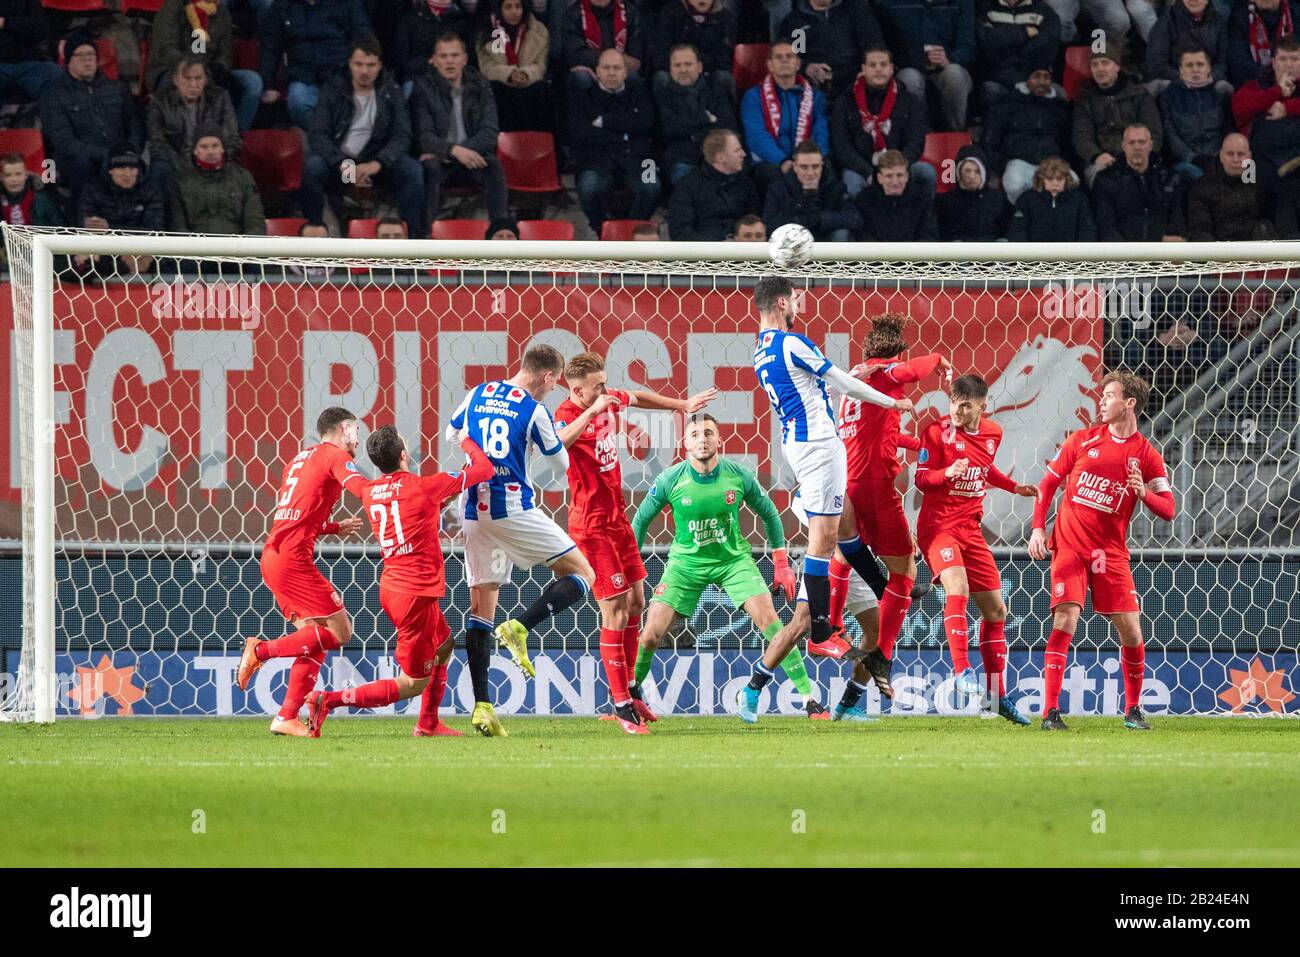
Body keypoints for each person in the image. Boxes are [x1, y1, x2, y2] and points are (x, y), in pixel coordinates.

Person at [737, 276, 913, 723]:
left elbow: (819, 388)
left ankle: (862, 608)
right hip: (818, 447)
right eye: (796, 297)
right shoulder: (793, 342)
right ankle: (819, 631)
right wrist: (891, 404)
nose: (801, 304)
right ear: (781, 301)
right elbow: (839, 385)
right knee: (826, 538)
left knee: (844, 529)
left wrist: (846, 379)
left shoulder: (762, 349)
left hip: (803, 444)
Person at [632, 413, 835, 721]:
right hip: (686, 564)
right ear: (684, 443)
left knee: (772, 623)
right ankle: (629, 700)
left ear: (719, 440)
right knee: (649, 636)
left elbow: (769, 513)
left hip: (733, 562)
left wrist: (781, 562)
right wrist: (630, 564)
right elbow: (640, 521)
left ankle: (808, 700)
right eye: (696, 434)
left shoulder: (737, 475)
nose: (703, 438)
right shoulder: (670, 479)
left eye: (709, 433)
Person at [553, 352, 716, 732]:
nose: (607, 391)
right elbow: (558, 442)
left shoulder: (606, 400)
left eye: (606, 383)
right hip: (591, 527)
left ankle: (629, 686)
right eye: (598, 387)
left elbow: (638, 397)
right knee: (615, 613)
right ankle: (621, 706)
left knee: (637, 602)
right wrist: (591, 414)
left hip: (618, 521)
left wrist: (682, 405)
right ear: (577, 390)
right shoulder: (564, 414)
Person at [445, 345, 598, 737]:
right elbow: (560, 463)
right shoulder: (534, 411)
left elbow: (453, 432)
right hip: (512, 509)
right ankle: (522, 627)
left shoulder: (477, 392)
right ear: (548, 377)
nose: (552, 390)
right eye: (554, 384)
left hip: (472, 511)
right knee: (582, 574)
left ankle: (481, 707)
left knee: (481, 607)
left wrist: (480, 457)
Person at [305, 427, 494, 737]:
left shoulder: (369, 490)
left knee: (444, 645)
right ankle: (327, 701)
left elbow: (394, 504)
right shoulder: (424, 487)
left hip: (398, 586)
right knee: (411, 684)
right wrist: (465, 440)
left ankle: (428, 723)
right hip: (413, 595)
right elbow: (483, 468)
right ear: (404, 455)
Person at [1030, 371, 1177, 731]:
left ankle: (1133, 711)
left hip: (1110, 553)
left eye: (1109, 396)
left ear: (1129, 403)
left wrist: (1144, 494)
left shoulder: (1147, 456)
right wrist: (1038, 528)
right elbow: (1047, 484)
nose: (1101, 401)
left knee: (1131, 631)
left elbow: (1169, 509)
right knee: (1065, 618)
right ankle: (1050, 712)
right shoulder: (1081, 440)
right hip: (1069, 547)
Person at [831, 313, 950, 713]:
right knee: (906, 571)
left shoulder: (855, 378)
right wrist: (939, 358)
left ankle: (830, 633)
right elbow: (914, 370)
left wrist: (919, 446)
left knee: (843, 553)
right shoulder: (884, 373)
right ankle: (878, 654)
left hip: (848, 483)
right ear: (898, 353)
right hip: (876, 485)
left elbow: (878, 432)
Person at [237, 407, 367, 736]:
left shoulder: (300, 458)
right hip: (293, 560)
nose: (357, 439)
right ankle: (260, 650)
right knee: (341, 632)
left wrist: (334, 527)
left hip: (275, 555)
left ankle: (285, 717)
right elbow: (362, 489)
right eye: (354, 431)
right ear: (344, 430)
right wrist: (396, 494)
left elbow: (297, 514)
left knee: (314, 639)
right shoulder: (335, 456)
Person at [914, 374, 1037, 723]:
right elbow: (922, 478)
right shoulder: (936, 433)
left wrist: (1014, 487)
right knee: (959, 587)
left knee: (996, 611)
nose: (956, 409)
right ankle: (961, 670)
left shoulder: (993, 433)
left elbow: (984, 469)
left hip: (970, 529)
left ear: (982, 406)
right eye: (953, 401)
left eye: (965, 404)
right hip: (938, 528)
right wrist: (947, 472)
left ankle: (996, 698)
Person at [414, 33, 510, 229]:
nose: (450, 61)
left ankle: (501, 233)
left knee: (493, 165)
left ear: (465, 59)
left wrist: (461, 151)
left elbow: (490, 132)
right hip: (441, 160)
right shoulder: (423, 88)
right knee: (429, 166)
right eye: (443, 56)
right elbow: (424, 136)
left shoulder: (481, 85)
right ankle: (425, 236)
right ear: (433, 61)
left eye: (455, 55)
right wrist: (452, 151)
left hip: (470, 157)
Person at [40, 31, 143, 204]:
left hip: (119, 155)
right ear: (68, 61)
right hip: (80, 159)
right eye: (80, 55)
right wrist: (107, 156)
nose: (87, 60)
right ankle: (83, 220)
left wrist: (129, 152)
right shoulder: (54, 95)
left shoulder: (117, 88)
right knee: (82, 166)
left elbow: (135, 125)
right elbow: (64, 143)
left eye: (91, 55)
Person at [569, 48, 657, 236]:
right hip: (596, 159)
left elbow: (647, 124)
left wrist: (605, 122)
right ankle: (602, 231)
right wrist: (626, 132)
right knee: (587, 188)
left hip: (640, 160)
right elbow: (582, 134)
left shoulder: (640, 92)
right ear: (597, 71)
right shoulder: (584, 97)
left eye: (616, 68)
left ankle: (632, 231)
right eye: (606, 67)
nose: (611, 72)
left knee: (652, 186)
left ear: (626, 72)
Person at [830, 46, 933, 199]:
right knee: (851, 181)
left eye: (883, 64)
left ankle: (925, 221)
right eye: (872, 65)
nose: (878, 69)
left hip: (900, 166)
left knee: (926, 172)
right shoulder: (845, 101)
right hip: (862, 169)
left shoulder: (909, 100)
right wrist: (868, 172)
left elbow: (916, 141)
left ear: (891, 68)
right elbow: (842, 146)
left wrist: (896, 170)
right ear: (863, 69)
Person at [147, 0, 264, 130]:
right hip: (172, 69)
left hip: (208, 69)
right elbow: (165, 49)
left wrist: (218, 66)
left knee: (252, 81)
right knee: (195, 82)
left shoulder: (221, 11)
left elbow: (225, 54)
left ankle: (234, 137)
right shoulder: (174, 5)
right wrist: (194, 67)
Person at [258, 0, 371, 128]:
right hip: (303, 74)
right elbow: (270, 48)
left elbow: (364, 38)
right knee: (297, 102)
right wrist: (268, 85)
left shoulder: (347, 3)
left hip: (341, 71)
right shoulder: (282, 6)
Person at [740, 41, 831, 193]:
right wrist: (782, 161)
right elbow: (756, 135)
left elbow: (821, 132)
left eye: (789, 56)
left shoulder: (816, 97)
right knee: (771, 178)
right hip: (772, 162)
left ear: (798, 63)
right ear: (769, 65)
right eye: (779, 57)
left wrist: (810, 161)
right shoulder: (753, 96)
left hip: (809, 159)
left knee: (827, 173)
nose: (784, 60)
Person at [147, 57, 241, 201]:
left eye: (198, 78)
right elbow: (157, 143)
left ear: (205, 80)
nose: (193, 84)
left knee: (235, 171)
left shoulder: (220, 98)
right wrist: (185, 166)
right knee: (160, 169)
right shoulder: (158, 101)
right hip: (176, 163)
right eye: (187, 78)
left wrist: (210, 160)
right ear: (175, 80)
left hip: (212, 159)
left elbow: (232, 138)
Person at [1072, 38, 1164, 187]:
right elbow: (1081, 135)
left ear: (1117, 66)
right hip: (1103, 159)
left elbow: (1154, 131)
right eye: (1095, 64)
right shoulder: (1084, 99)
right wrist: (1096, 155)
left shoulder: (1139, 94)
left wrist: (1139, 155)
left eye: (1105, 63)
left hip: (1138, 155)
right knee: (1099, 177)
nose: (1100, 69)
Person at [874, 0, 976, 131]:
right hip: (910, 67)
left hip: (948, 69)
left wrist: (948, 59)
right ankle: (919, 134)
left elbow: (969, 47)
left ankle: (955, 133)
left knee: (954, 74)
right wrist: (910, 57)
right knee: (909, 78)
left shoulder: (962, 3)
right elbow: (884, 44)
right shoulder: (893, 4)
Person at [981, 62, 1072, 204]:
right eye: (1036, 76)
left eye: (1046, 77)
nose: (1042, 82)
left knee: (1073, 182)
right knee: (1015, 183)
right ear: (1026, 79)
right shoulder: (1006, 105)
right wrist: (1003, 165)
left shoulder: (1060, 109)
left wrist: (1062, 163)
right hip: (1017, 162)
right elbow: (989, 143)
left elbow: (1068, 144)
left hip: (1052, 164)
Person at [655, 43, 737, 184]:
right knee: (687, 178)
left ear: (699, 67)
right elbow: (669, 129)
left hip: (717, 157)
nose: (683, 70)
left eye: (688, 64)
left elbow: (728, 127)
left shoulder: (717, 92)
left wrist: (693, 134)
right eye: (677, 65)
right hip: (681, 160)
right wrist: (706, 118)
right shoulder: (662, 96)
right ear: (670, 69)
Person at [75, 148, 165, 277]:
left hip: (138, 246)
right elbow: (86, 226)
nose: (127, 174)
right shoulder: (93, 188)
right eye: (121, 168)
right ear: (110, 170)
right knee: (85, 253)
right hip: (104, 247)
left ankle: (118, 269)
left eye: (132, 168)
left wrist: (109, 229)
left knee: (147, 256)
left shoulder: (151, 189)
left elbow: (154, 230)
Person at [1091, 123, 1187, 241]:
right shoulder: (1105, 180)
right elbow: (1106, 226)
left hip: (1163, 251)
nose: (1137, 147)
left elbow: (1177, 217)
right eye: (1131, 143)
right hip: (1123, 253)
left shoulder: (1170, 178)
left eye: (1142, 142)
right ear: (1123, 146)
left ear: (1151, 145)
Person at [777, 0, 884, 99]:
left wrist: (866, 71)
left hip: (856, 83)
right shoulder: (793, 22)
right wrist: (806, 67)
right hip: (813, 91)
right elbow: (788, 58)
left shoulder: (856, 9)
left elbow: (874, 45)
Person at [170, 125, 266, 235]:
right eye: (204, 147)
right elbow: (178, 225)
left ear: (222, 149)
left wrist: (249, 248)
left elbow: (254, 220)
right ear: (195, 151)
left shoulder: (243, 177)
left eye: (215, 146)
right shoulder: (181, 181)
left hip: (236, 246)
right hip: (196, 248)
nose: (210, 152)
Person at [1232, 34, 1300, 182]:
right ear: (1274, 63)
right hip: (1260, 158)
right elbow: (1239, 110)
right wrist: (1276, 92)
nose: (1289, 64)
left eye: (1294, 59)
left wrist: (1287, 108)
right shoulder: (1255, 85)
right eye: (1283, 59)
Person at [1159, 43, 1232, 180]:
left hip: (1219, 158)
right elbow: (1169, 133)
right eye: (1189, 65)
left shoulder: (1220, 93)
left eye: (1200, 64)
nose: (1195, 70)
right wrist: (1191, 157)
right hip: (1186, 162)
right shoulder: (1168, 96)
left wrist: (1221, 155)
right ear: (1180, 70)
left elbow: (1228, 128)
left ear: (1208, 68)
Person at [763, 139, 862, 241]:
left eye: (815, 166)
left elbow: (855, 217)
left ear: (822, 165)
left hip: (827, 244)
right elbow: (769, 225)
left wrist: (821, 219)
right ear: (795, 167)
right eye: (804, 167)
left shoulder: (835, 186)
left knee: (842, 234)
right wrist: (806, 220)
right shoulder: (779, 189)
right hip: (793, 244)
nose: (810, 173)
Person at [476, 0, 552, 132]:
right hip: (502, 85)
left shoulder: (538, 30)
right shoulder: (490, 31)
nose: (514, 12)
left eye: (518, 6)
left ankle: (537, 144)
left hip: (529, 83)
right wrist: (509, 74)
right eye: (508, 7)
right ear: (500, 9)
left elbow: (541, 65)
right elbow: (487, 66)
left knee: (541, 89)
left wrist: (525, 74)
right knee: (496, 89)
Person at [1185, 132, 1277, 238]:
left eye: (1241, 154)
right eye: (1230, 154)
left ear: (1249, 157)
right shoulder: (1202, 187)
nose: (1236, 159)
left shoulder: (1262, 186)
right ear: (1221, 156)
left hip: (1256, 251)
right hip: (1218, 251)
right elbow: (1200, 230)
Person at [974, 0, 1062, 109]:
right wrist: (1024, 32)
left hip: (1033, 79)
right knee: (989, 90)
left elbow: (1045, 52)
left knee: (1059, 93)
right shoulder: (986, 10)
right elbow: (987, 45)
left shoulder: (1044, 12)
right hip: (999, 81)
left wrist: (1004, 41)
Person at [1144, 0, 1233, 97]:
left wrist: (1211, 77)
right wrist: (1184, 78)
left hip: (1208, 81)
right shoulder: (1165, 22)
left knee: (1225, 87)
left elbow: (1222, 62)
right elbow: (1157, 65)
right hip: (1174, 82)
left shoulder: (1219, 21)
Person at [855, 149, 940, 241]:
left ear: (906, 176)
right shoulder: (865, 200)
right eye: (889, 176)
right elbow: (863, 238)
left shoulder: (922, 197)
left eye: (899, 175)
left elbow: (930, 235)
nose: (895, 182)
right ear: (880, 178)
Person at [562, 0, 646, 92]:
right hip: (590, 69)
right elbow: (574, 54)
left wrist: (618, 66)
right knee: (581, 78)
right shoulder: (573, 12)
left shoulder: (629, 11)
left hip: (620, 68)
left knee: (632, 77)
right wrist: (611, 62)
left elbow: (635, 57)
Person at [1006, 156, 1097, 241]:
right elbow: (1017, 229)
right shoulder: (1027, 198)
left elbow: (1087, 228)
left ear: (1066, 179)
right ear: (1041, 179)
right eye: (1050, 179)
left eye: (1059, 179)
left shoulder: (1079, 198)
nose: (1055, 183)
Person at [393, 0, 476, 88]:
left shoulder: (460, 19)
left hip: (456, 78)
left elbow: (470, 57)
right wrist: (430, 62)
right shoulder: (410, 19)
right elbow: (401, 60)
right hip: (418, 78)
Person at [935, 144, 1011, 240]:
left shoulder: (999, 199)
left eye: (977, 171)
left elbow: (1006, 230)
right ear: (959, 173)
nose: (972, 176)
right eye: (967, 171)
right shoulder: (947, 200)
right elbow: (944, 233)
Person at [649, 0, 736, 82]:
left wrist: (694, 65)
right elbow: (661, 55)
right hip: (677, 69)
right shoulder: (670, 13)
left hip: (709, 70)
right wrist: (684, 65)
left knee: (724, 78)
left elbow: (723, 59)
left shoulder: (724, 16)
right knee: (662, 78)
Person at [0, 1, 64, 105]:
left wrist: (5, 23)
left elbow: (40, 29)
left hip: (27, 64)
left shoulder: (28, 3)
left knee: (54, 73)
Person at [1227, 0, 1300, 88]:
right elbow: (1238, 65)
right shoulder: (1239, 17)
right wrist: (1273, 77)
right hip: (1254, 86)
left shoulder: (1295, 14)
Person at [0, 153, 63, 229]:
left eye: (18, 174)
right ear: (2, 177)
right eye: (8, 175)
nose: (14, 179)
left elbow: (60, 226)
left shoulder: (41, 198)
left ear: (26, 175)